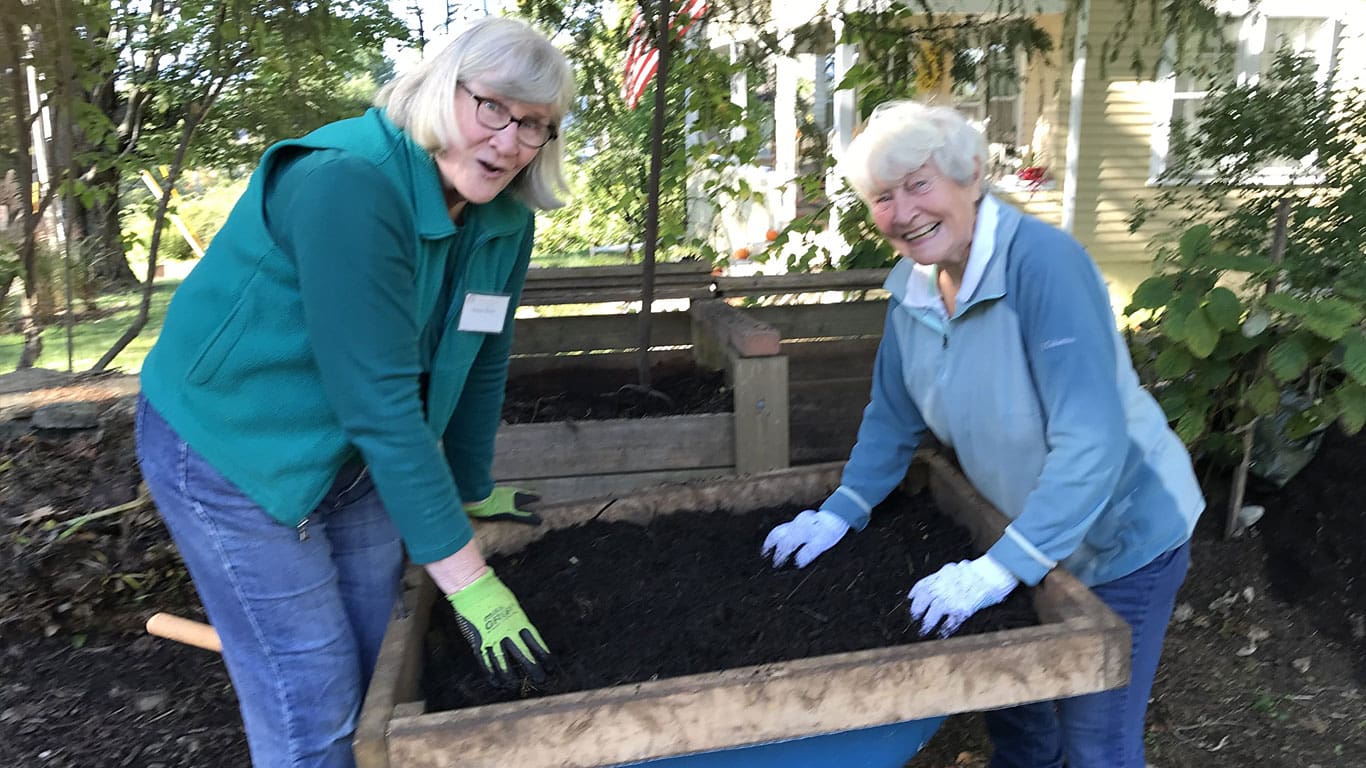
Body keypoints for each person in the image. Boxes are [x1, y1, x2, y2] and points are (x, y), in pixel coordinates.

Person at [134, 16, 574, 767]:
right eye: (493, 108)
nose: (509, 142)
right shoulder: (347, 183)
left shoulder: (503, 217)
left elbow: (482, 354)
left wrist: (469, 488)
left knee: (383, 665)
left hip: (355, 461)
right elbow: (379, 402)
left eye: (535, 125)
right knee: (313, 702)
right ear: (444, 90)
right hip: (237, 455)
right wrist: (470, 581)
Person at [761, 101, 1204, 768]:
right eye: (883, 196)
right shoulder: (913, 289)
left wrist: (1001, 569)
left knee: (1095, 745)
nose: (903, 211)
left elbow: (1092, 440)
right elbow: (892, 413)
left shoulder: (1042, 265)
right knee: (1021, 721)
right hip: (1013, 532)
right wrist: (841, 511)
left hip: (1122, 537)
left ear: (971, 178)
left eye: (919, 184)